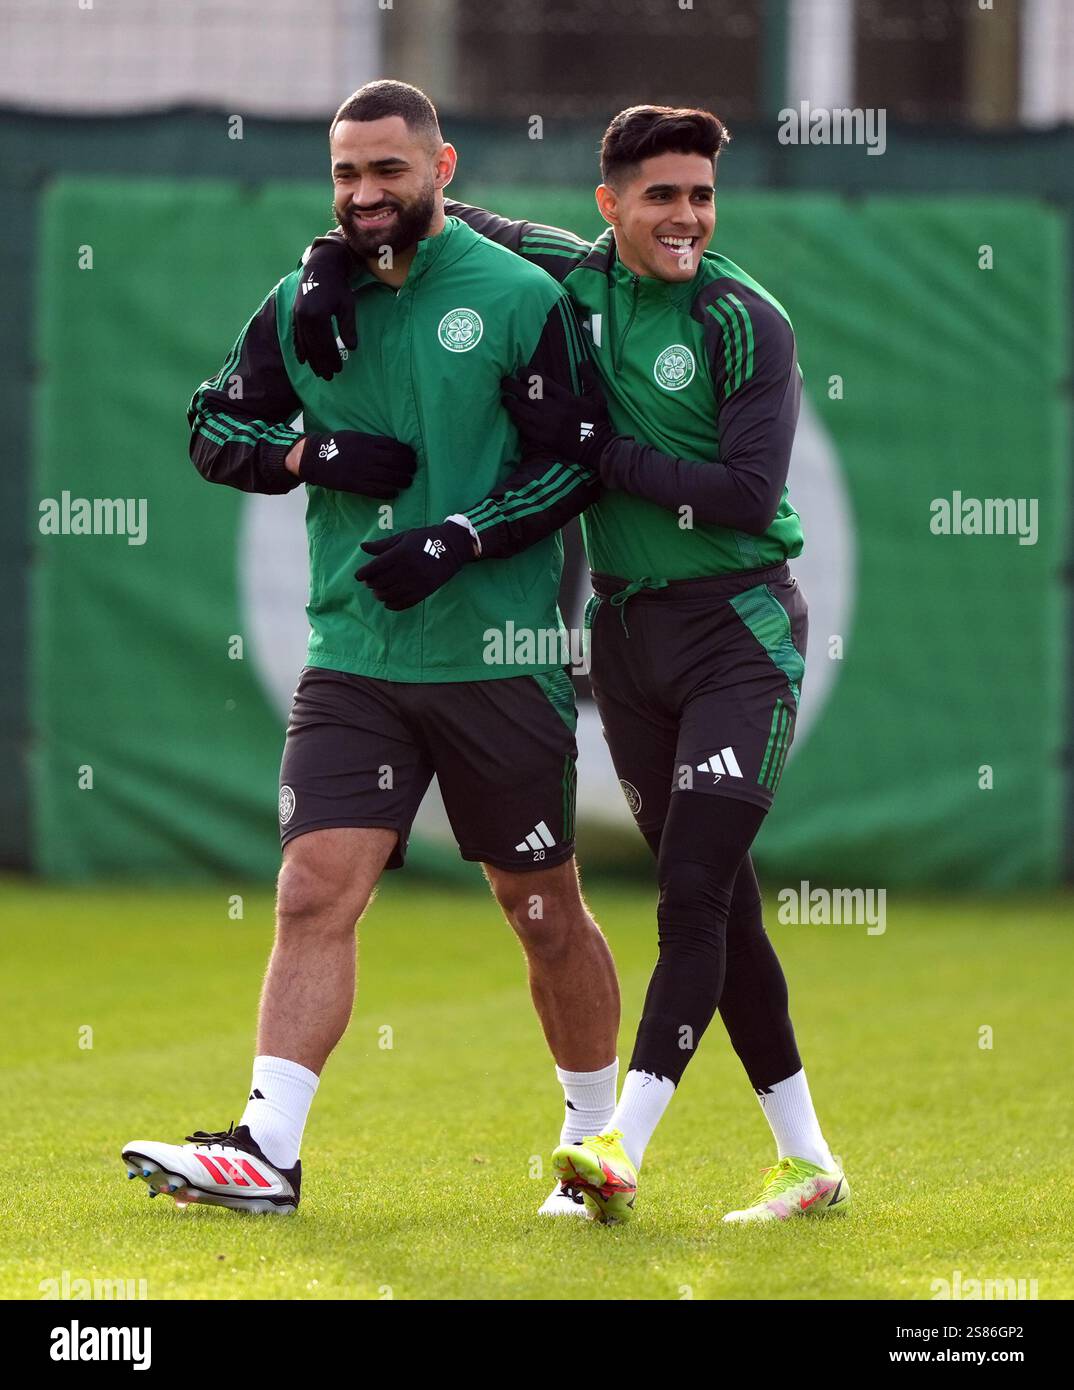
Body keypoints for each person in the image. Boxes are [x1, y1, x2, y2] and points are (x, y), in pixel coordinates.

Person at [295, 103, 849, 1226]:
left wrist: (601, 451)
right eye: (661, 196)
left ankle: (612, 1147)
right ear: (610, 205)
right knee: (723, 906)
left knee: (689, 891)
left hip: (739, 630)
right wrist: (317, 265)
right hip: (628, 637)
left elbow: (745, 495)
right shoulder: (568, 273)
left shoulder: (749, 319)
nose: (685, 217)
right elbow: (408, 214)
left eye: (701, 194)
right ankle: (810, 1160)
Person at [120, 80, 621, 1217]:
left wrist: (461, 534)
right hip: (356, 658)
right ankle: (269, 1149)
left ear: (442, 170)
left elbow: (576, 461)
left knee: (541, 910)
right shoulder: (302, 300)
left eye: (388, 170)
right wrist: (307, 458)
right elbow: (214, 425)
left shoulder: (517, 293)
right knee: (311, 891)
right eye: (345, 174)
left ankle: (597, 1145)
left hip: (499, 657)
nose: (363, 194)